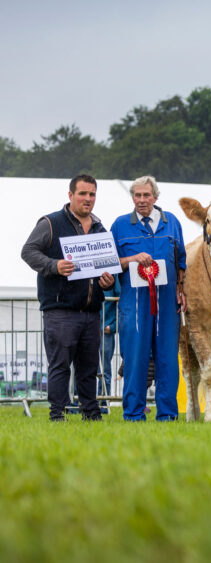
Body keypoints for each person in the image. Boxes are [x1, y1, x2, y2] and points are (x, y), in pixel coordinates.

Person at [21, 174, 116, 421]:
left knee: (88, 368)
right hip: (60, 310)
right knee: (60, 366)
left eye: (92, 194)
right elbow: (28, 251)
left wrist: (108, 281)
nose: (88, 199)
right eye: (82, 193)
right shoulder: (51, 223)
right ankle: (57, 414)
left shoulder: (99, 228)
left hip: (91, 311)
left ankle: (91, 413)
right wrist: (54, 265)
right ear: (70, 195)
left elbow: (105, 269)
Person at [110, 175, 187, 422]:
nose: (142, 200)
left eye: (146, 195)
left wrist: (181, 290)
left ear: (155, 196)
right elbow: (110, 263)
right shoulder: (120, 225)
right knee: (134, 360)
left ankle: (168, 414)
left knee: (167, 362)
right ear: (132, 197)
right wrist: (132, 259)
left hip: (167, 304)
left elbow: (181, 261)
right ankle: (133, 414)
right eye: (137, 195)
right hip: (134, 305)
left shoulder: (172, 222)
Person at [97, 279, 120, 408]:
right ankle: (79, 403)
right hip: (88, 328)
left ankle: (103, 403)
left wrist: (112, 327)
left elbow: (121, 301)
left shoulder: (113, 275)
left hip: (105, 331)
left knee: (104, 369)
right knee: (81, 368)